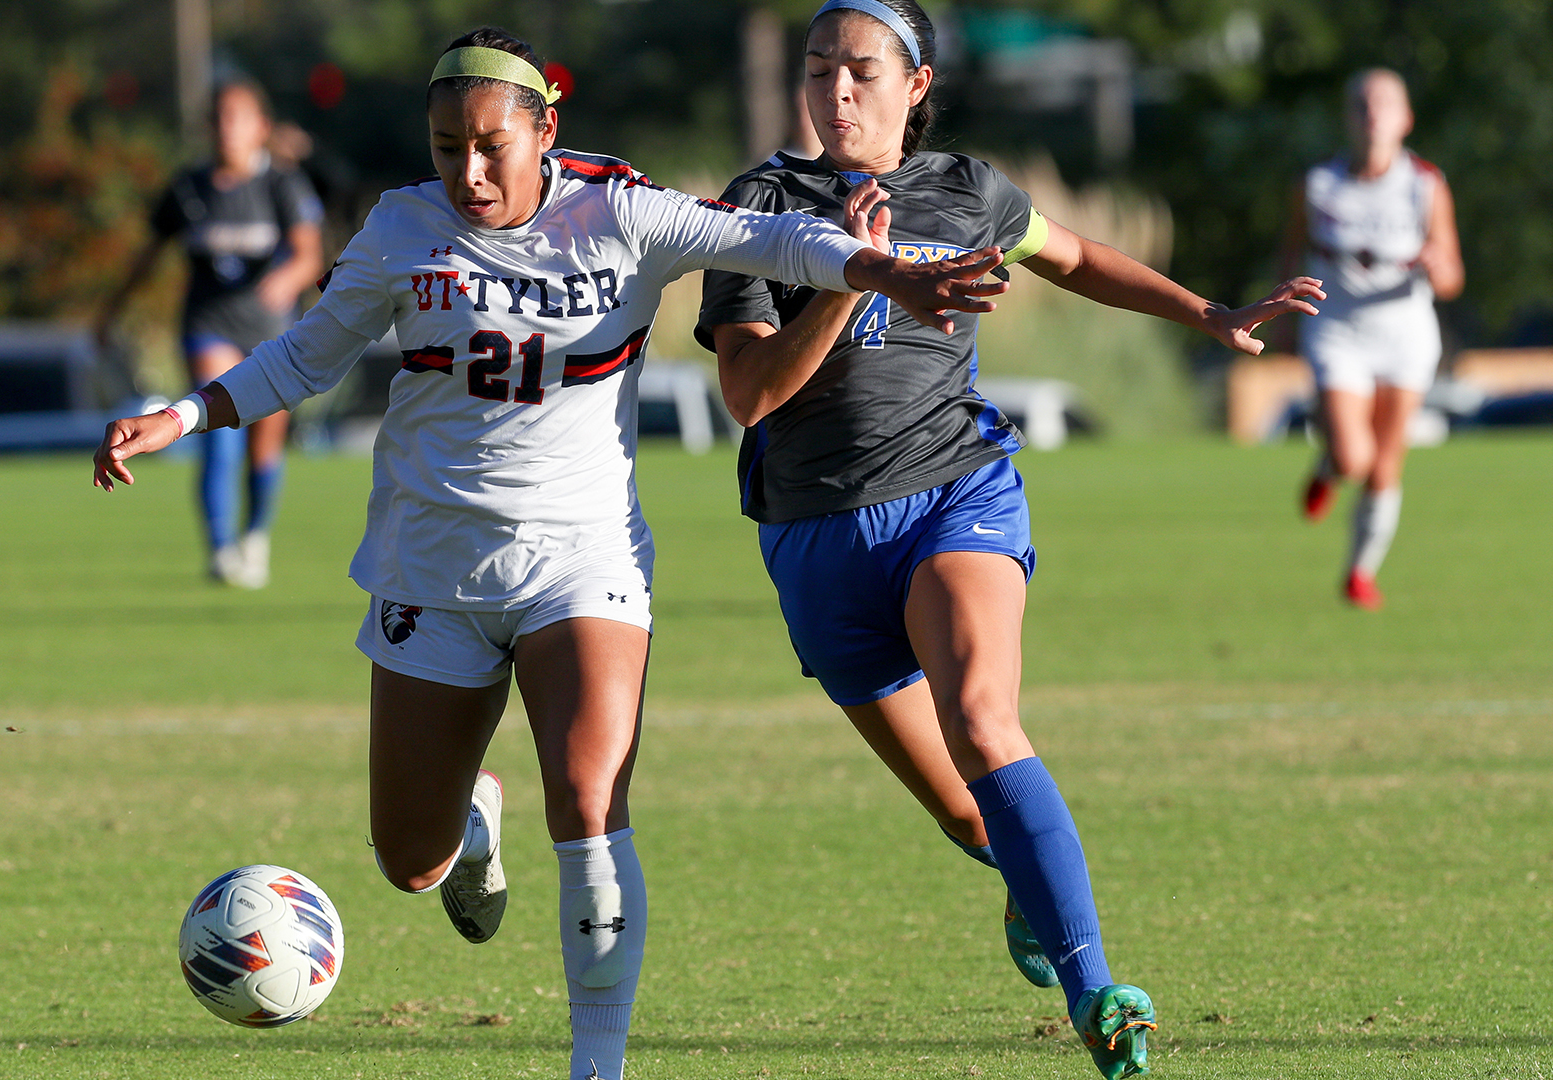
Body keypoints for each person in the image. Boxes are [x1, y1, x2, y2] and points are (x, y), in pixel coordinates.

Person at [93, 26, 1012, 1080]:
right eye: (447, 149)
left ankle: (596, 1065)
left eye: (491, 146)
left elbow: (775, 244)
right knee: (410, 860)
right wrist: (182, 415)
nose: (470, 173)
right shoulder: (400, 227)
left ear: (546, 131)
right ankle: (474, 822)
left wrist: (882, 269)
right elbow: (305, 356)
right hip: (432, 566)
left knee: (588, 804)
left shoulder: (620, 209)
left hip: (584, 559)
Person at [693, 2, 1324, 1076]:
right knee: (968, 818)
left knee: (985, 727)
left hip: (955, 493)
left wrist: (1207, 313)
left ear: (916, 87)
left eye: (860, 71)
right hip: (813, 537)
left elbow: (1074, 257)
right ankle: (1019, 879)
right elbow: (750, 395)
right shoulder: (759, 207)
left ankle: (1098, 993)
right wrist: (857, 276)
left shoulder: (968, 191)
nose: (835, 90)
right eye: (818, 68)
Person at [98, 77, 326, 588]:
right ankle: (221, 550)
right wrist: (110, 311)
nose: (226, 128)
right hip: (210, 326)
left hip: (270, 332)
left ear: (260, 127)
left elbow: (309, 253)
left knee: (264, 445)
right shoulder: (188, 188)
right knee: (214, 430)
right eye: (219, 117)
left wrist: (286, 279)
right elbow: (147, 258)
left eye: (237, 117)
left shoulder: (282, 185)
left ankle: (255, 538)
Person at [1280, 68, 1463, 610]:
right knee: (1352, 456)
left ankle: (1360, 572)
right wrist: (1281, 317)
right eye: (1362, 102)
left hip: (1406, 334)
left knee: (1386, 463)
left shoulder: (1426, 184)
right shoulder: (1317, 182)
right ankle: (1329, 466)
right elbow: (1289, 254)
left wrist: (1438, 266)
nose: (1372, 112)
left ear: (1406, 119)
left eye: (1384, 103)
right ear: (1347, 117)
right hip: (1338, 330)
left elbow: (1453, 276)